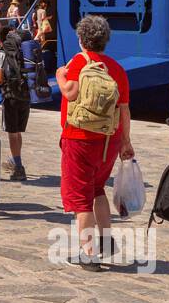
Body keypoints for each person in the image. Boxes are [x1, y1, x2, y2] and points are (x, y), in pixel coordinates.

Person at [56, 15, 134, 268]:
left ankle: (88, 254)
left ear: (81, 39)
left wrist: (59, 75)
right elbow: (124, 110)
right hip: (108, 141)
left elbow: (70, 91)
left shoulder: (79, 62)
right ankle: (106, 239)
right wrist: (125, 142)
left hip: (79, 139)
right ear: (105, 40)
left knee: (80, 198)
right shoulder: (117, 69)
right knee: (97, 188)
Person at [0, 21, 31, 181]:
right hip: (25, 94)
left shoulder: (2, 53)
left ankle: (18, 166)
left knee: (12, 132)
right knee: (17, 132)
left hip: (10, 96)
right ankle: (15, 159)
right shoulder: (22, 51)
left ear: (1, 40)